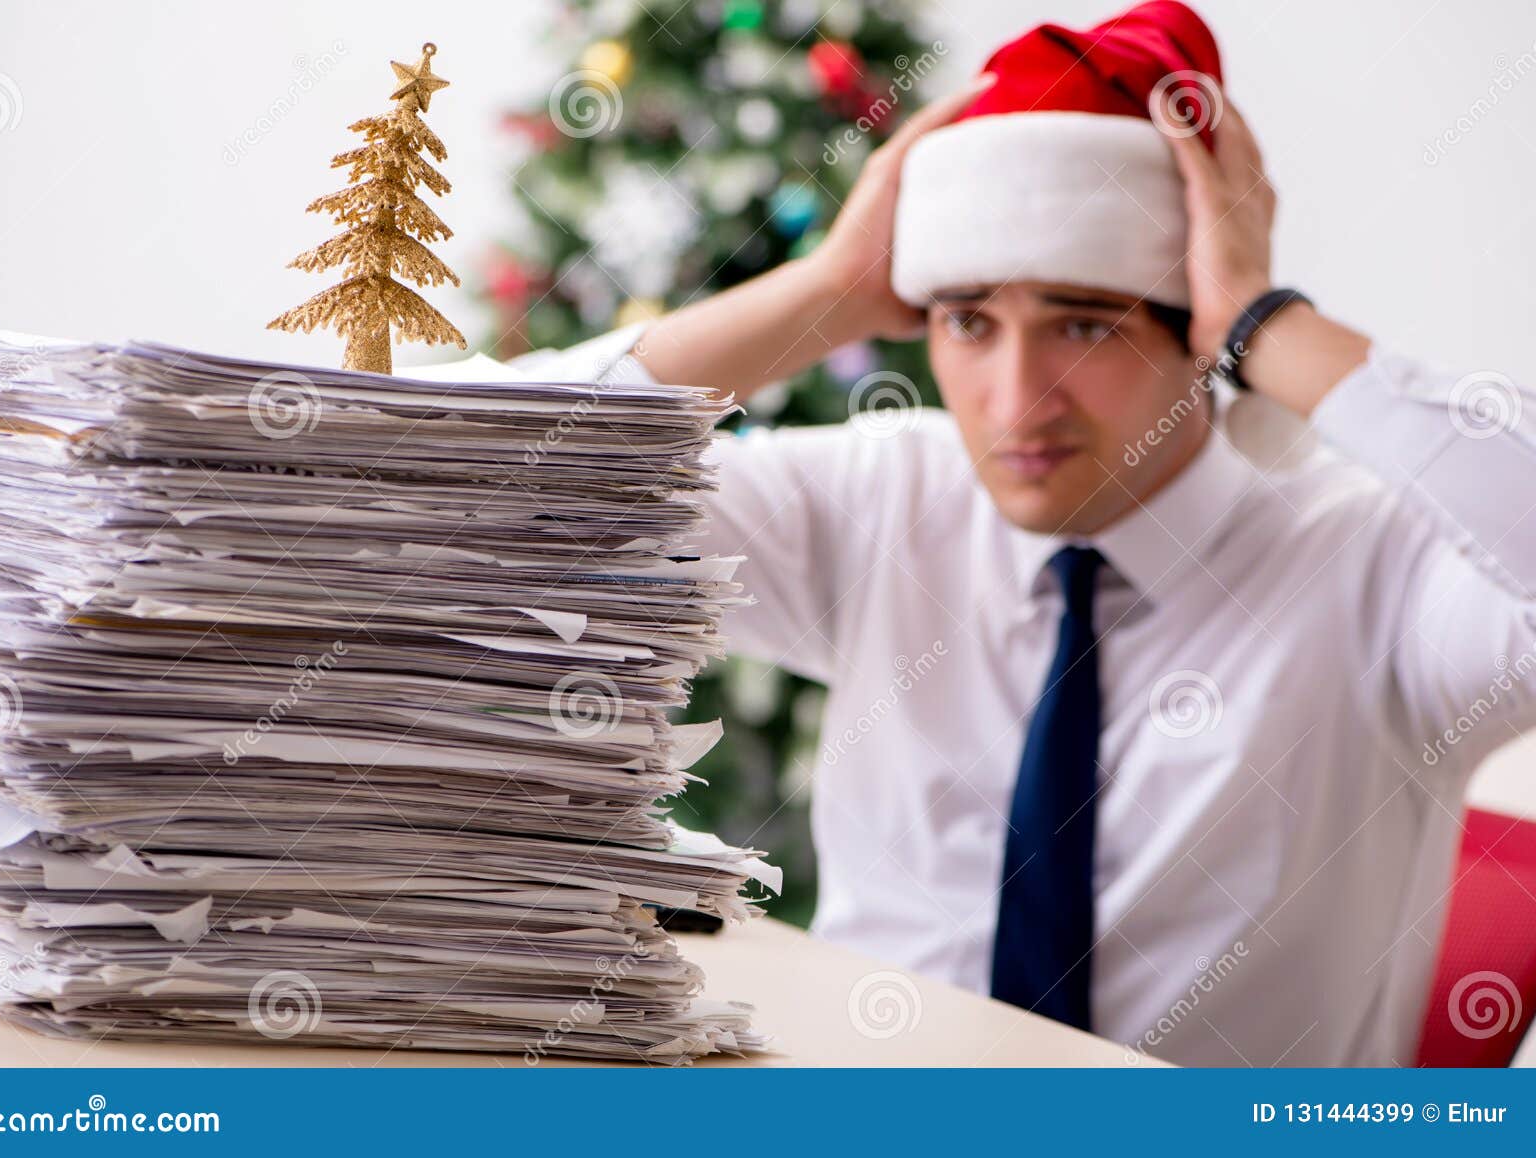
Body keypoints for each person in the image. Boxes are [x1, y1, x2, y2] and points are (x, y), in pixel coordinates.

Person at [499, 1, 1536, 1065]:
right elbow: (485, 485)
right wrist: (833, 292)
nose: (1013, 402)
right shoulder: (889, 495)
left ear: (1198, 334)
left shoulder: (1376, 569)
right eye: (968, 320)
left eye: (1085, 324)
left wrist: (1265, 322)